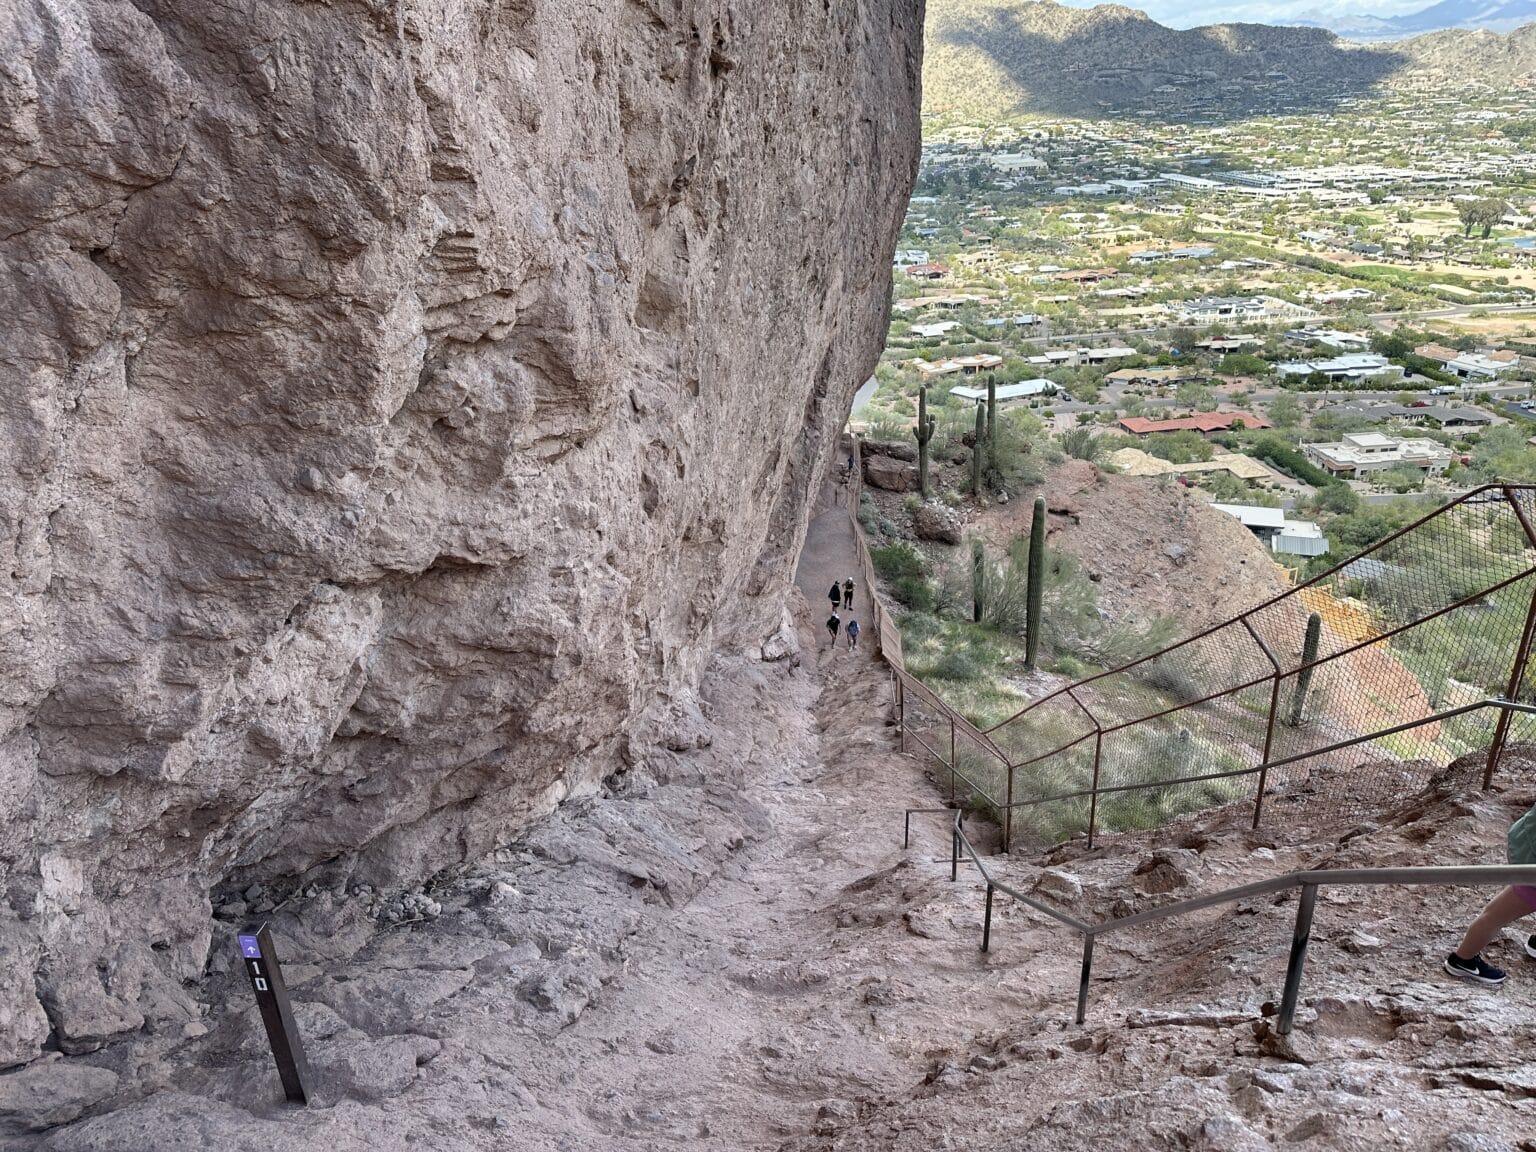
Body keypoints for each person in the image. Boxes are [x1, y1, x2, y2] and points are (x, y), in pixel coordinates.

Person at [1444, 798, 1536, 985]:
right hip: (1532, 870)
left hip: (1523, 840)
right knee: (1495, 917)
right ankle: (1463, 960)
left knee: (1496, 913)